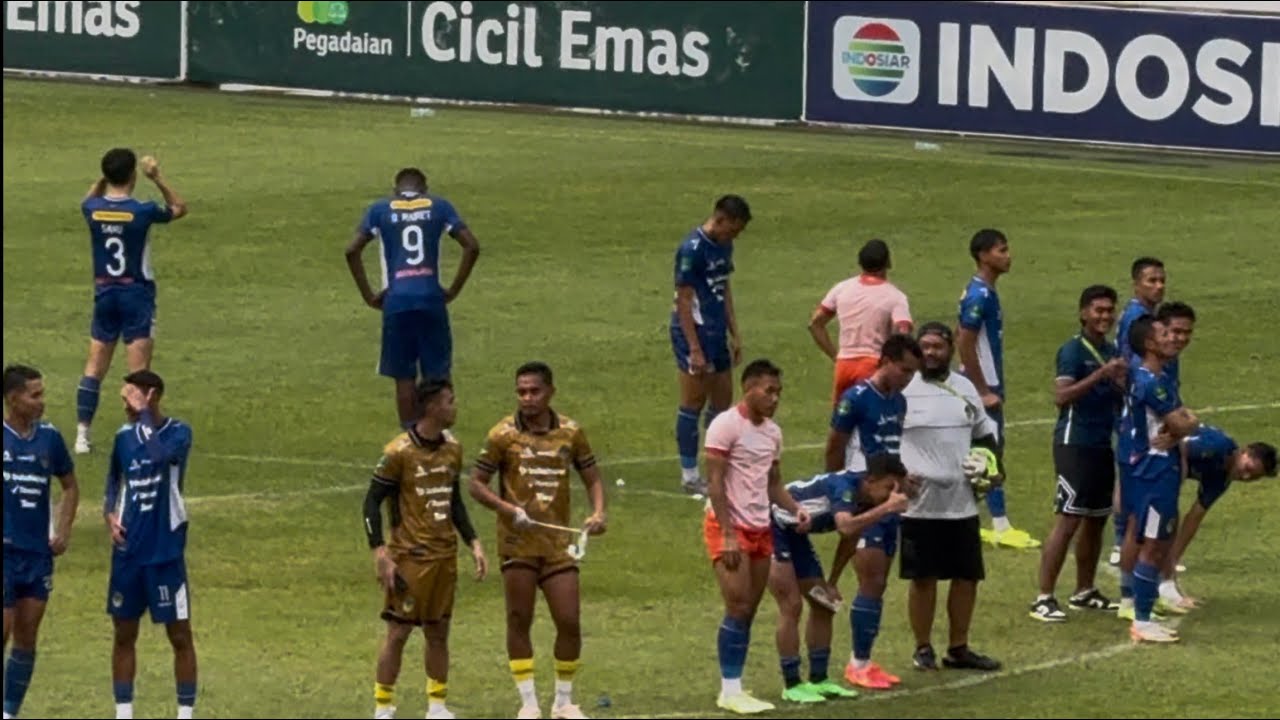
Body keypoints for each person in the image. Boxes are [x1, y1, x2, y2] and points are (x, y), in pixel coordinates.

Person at [468, 362, 606, 720]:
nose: (527, 398)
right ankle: (528, 701)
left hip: (558, 544)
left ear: (550, 392)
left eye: (534, 391)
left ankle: (563, 700)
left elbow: (591, 476)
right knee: (519, 617)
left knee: (569, 619)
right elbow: (476, 484)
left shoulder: (571, 433)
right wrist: (507, 509)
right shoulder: (502, 434)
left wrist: (598, 512)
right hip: (517, 543)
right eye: (521, 391)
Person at [363, 378, 488, 720]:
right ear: (432, 406)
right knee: (398, 632)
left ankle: (437, 706)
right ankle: (384, 708)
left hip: (443, 558)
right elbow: (371, 503)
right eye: (450, 400)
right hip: (410, 559)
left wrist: (473, 542)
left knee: (438, 632)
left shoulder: (452, 449)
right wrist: (381, 554)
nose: (454, 406)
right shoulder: (398, 453)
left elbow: (454, 501)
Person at [701, 359, 808, 714]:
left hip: (761, 526)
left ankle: (736, 685)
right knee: (738, 604)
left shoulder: (773, 433)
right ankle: (729, 690)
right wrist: (729, 533)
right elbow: (715, 483)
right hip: (729, 526)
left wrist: (795, 509)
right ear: (749, 388)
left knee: (749, 609)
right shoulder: (725, 426)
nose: (775, 398)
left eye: (779, 392)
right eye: (768, 390)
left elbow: (772, 483)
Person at [898, 323, 1003, 672]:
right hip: (919, 505)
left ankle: (958, 647)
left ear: (950, 351)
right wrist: (896, 477)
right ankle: (923, 647)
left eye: (937, 347)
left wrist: (993, 470)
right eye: (924, 347)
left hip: (961, 502)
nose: (930, 353)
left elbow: (985, 436)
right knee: (923, 578)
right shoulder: (904, 389)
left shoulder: (964, 388)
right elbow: (881, 439)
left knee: (966, 577)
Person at [345, 167, 481, 428]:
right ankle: (441, 439)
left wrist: (369, 296)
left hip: (396, 301)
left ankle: (411, 440)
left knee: (404, 376)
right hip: (431, 298)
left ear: (395, 189)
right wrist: (453, 289)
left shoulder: (380, 209)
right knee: (439, 373)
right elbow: (471, 246)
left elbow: (352, 251)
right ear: (424, 188)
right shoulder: (439, 206)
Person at [768, 455, 909, 704]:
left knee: (825, 604)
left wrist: (831, 582)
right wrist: (887, 508)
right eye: (889, 488)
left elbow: (850, 540)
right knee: (791, 605)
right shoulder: (844, 488)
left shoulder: (867, 500)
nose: (891, 495)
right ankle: (791, 683)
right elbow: (845, 527)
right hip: (770, 525)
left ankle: (819, 679)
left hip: (794, 534)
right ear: (871, 480)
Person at [823, 334, 921, 691]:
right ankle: (857, 664)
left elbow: (889, 451)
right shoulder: (856, 399)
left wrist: (903, 478)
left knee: (878, 582)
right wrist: (844, 496)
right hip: (864, 500)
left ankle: (863, 660)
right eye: (904, 370)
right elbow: (834, 449)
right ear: (886, 360)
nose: (908, 378)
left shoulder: (898, 402)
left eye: (913, 373)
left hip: (889, 499)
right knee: (872, 578)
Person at [75, 148, 188, 455]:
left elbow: (87, 199)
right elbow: (178, 207)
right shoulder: (141, 211)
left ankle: (82, 434)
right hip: (136, 293)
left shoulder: (93, 210)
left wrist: (106, 176)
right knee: (139, 372)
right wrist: (157, 177)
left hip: (105, 294)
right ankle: (140, 432)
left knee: (94, 366)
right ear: (133, 176)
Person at [102, 370, 198, 718]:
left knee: (180, 636)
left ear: (152, 395)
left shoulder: (179, 433)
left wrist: (143, 412)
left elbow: (159, 457)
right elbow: (114, 479)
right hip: (128, 553)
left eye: (132, 396)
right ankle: (123, 713)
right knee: (124, 633)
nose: (125, 403)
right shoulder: (123, 437)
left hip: (165, 553)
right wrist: (109, 514)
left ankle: (185, 714)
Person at [1030, 286, 1127, 622]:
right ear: (1083, 313)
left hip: (1101, 443)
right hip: (1074, 443)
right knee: (1068, 518)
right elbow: (1062, 396)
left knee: (1096, 519)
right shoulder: (1073, 350)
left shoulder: (1112, 350)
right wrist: (1102, 374)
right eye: (1098, 310)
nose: (1105, 316)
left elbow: (1117, 399)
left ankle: (1084, 590)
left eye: (1109, 310)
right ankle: (1043, 596)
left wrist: (1121, 385)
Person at [1115, 316, 1199, 643]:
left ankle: (1137, 609)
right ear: (1150, 344)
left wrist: (1183, 420)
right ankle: (1143, 619)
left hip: (1141, 466)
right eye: (1164, 333)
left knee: (1141, 537)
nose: (1172, 338)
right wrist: (1192, 420)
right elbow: (1181, 423)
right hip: (1155, 471)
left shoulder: (1143, 375)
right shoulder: (1154, 383)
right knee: (1154, 544)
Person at [3, 365, 79, 720]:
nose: (41, 402)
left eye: (42, 393)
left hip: (37, 554)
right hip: (4, 551)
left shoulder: (49, 438)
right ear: (13, 398)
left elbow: (70, 485)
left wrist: (63, 529)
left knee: (27, 636)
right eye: (34, 395)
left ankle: (9, 712)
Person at [955, 229, 1037, 550]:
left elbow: (959, 331)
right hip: (983, 385)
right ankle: (1000, 526)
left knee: (979, 452)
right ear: (984, 255)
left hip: (979, 382)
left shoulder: (980, 291)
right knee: (991, 452)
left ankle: (971, 519)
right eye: (1001, 250)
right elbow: (966, 339)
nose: (1008, 255)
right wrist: (982, 388)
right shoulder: (981, 296)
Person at [670, 195, 753, 496]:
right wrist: (693, 348)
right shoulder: (692, 250)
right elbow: (683, 301)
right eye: (733, 230)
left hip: (717, 330)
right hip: (694, 331)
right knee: (693, 402)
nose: (735, 237)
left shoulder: (723, 244)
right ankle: (690, 475)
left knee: (722, 403)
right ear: (720, 220)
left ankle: (717, 472)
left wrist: (734, 332)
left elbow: (724, 287)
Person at [1157, 426, 1275, 611]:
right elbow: (1172, 445)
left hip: (1166, 472)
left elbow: (1194, 518)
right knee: (1159, 519)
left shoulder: (1223, 477)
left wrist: (1173, 560)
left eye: (1252, 477)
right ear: (1244, 451)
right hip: (1153, 458)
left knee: (1167, 520)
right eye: (1248, 468)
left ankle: (1162, 584)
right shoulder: (1215, 447)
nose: (1245, 476)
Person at [1109, 257, 1167, 564]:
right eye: (1151, 280)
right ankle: (1123, 541)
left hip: (1139, 404)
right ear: (1136, 283)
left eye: (1161, 280)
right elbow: (1127, 366)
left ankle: (1129, 540)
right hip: (1138, 407)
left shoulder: (1143, 315)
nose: (1158, 286)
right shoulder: (1136, 319)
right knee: (1133, 473)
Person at [808, 239, 913, 406]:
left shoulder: (841, 289)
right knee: (872, 422)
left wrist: (836, 357)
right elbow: (903, 334)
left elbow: (815, 324)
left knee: (842, 424)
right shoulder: (895, 296)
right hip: (873, 366)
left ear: (860, 263)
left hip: (844, 366)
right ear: (888, 262)